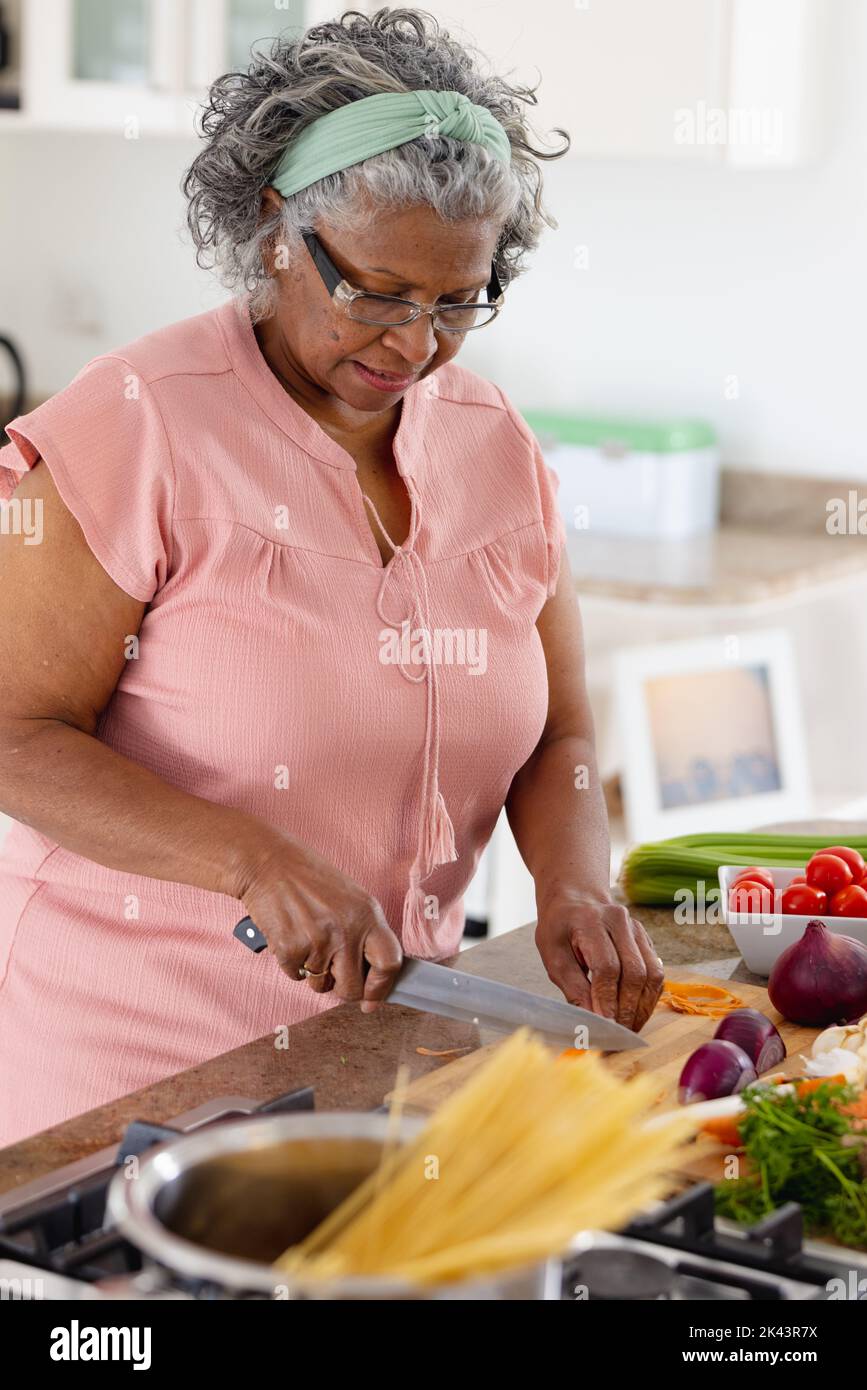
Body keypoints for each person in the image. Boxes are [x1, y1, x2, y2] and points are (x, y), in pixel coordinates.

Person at [0, 8, 663, 1144]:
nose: (415, 346)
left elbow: (559, 738)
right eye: (376, 291)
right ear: (273, 227)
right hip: (130, 1085)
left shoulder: (496, 444)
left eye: (460, 301)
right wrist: (252, 860)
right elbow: (14, 731)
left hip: (383, 1072)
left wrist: (576, 888)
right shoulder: (130, 429)